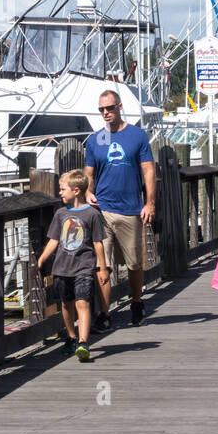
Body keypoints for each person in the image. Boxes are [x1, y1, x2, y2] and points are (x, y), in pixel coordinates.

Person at [84, 89, 155, 329]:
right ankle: (104, 313)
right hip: (102, 210)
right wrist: (87, 192)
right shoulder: (94, 140)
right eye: (101, 109)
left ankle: (136, 301)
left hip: (130, 209)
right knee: (102, 265)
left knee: (134, 263)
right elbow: (89, 174)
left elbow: (148, 170)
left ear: (120, 107)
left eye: (110, 108)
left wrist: (150, 202)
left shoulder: (137, 136)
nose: (106, 113)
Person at [38, 169, 109, 361]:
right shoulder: (60, 214)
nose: (60, 193)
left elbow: (98, 243)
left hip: (84, 267)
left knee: (82, 302)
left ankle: (83, 342)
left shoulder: (92, 214)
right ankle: (71, 336)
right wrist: (41, 260)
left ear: (76, 191)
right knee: (66, 304)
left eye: (63, 189)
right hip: (62, 267)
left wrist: (102, 269)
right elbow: (54, 240)